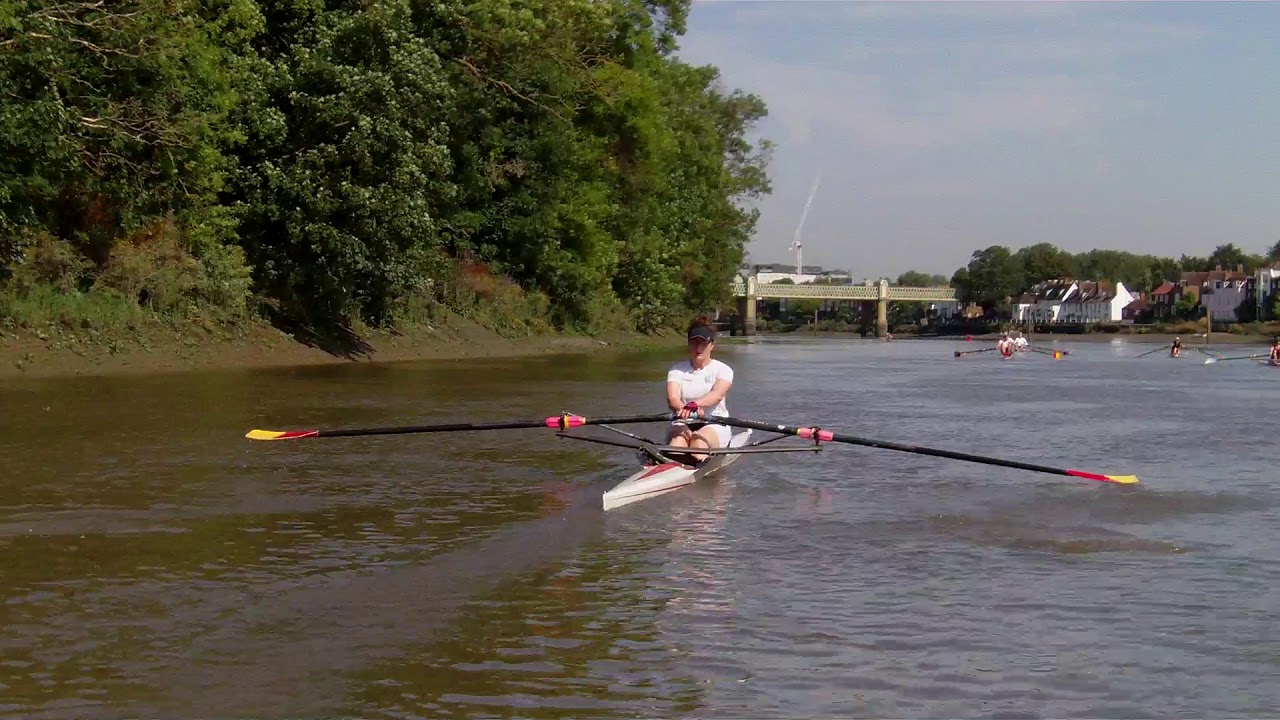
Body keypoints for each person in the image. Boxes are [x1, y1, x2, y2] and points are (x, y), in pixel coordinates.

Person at [666, 315, 734, 462]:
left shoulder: (723, 370)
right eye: (694, 343)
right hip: (683, 421)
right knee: (677, 443)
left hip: (714, 422)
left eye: (703, 343)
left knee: (698, 442)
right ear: (689, 344)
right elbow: (673, 399)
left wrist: (695, 405)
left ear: (712, 345)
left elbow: (717, 395)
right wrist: (686, 410)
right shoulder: (676, 370)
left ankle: (696, 464)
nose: (698, 348)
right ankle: (673, 467)